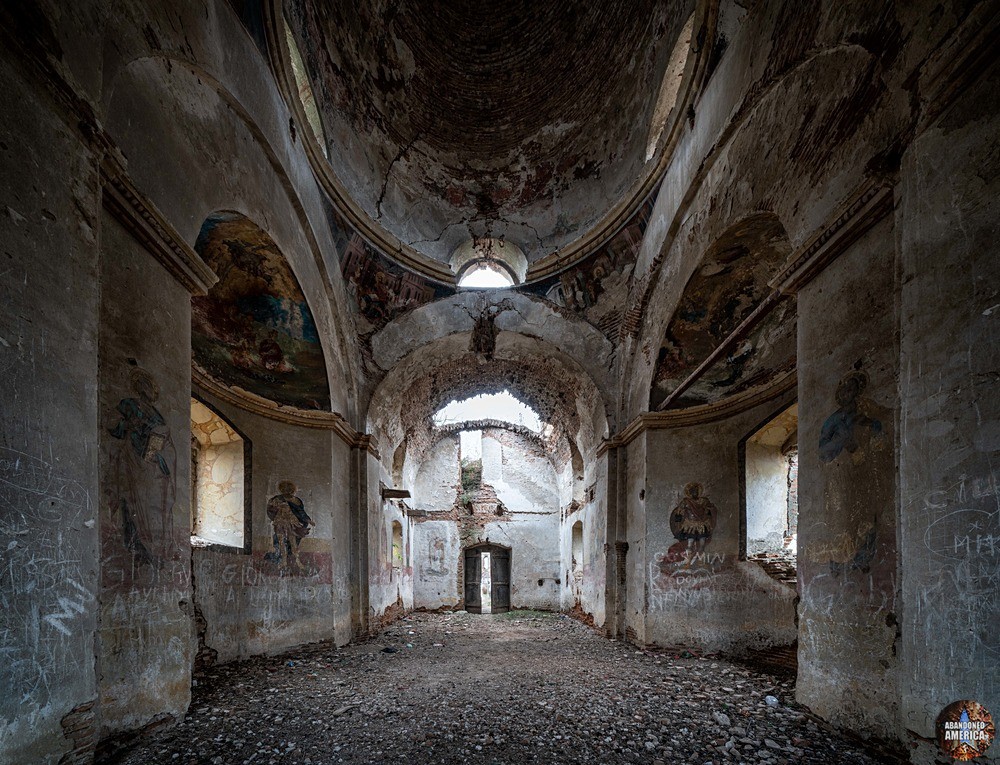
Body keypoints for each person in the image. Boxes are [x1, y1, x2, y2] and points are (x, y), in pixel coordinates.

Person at [265, 481, 314, 568]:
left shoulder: (295, 500)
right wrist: (275, 512)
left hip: (291, 523)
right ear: (281, 490)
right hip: (280, 523)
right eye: (284, 489)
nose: (287, 491)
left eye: (289, 489)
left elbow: (301, 512)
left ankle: (297, 561)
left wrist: (308, 520)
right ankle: (283, 561)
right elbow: (270, 510)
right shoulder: (277, 499)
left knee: (293, 542)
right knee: (281, 543)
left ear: (292, 490)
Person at [669, 482, 717, 553]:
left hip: (701, 523)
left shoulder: (704, 500)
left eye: (696, 491)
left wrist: (710, 510)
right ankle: (689, 554)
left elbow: (710, 508)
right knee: (690, 540)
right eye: (692, 491)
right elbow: (680, 510)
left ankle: (701, 554)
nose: (694, 493)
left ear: (698, 492)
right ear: (690, 492)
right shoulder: (686, 501)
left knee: (702, 540)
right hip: (690, 524)